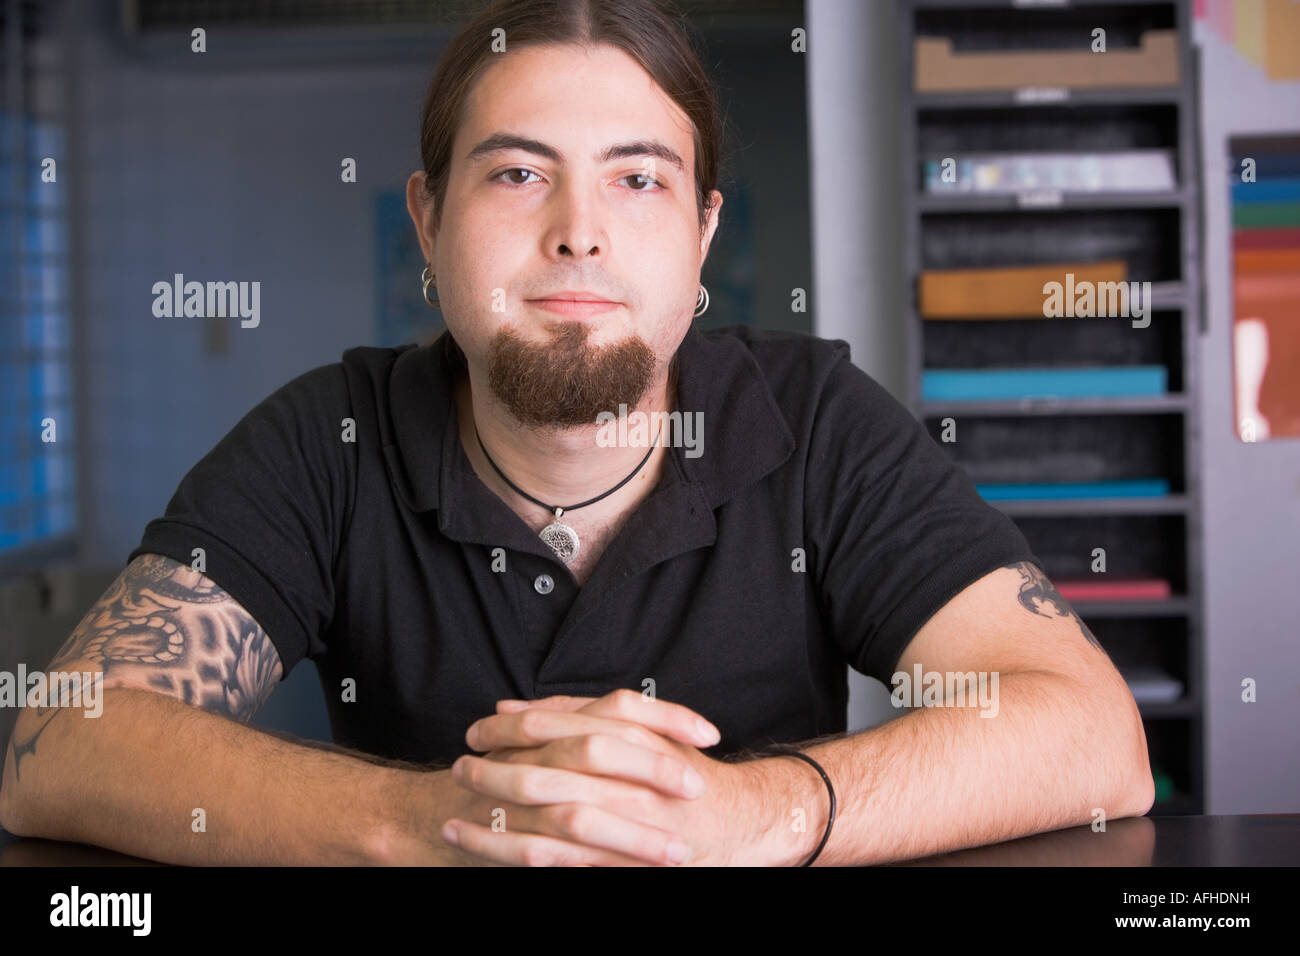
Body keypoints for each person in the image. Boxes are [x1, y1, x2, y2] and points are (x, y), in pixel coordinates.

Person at [0, 0, 1153, 867]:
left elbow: (1096, 739)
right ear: (428, 217)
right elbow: (61, 742)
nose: (579, 235)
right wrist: (438, 818)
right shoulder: (326, 437)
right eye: (516, 173)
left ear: (703, 234)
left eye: (639, 180)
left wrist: (750, 810)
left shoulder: (815, 421)